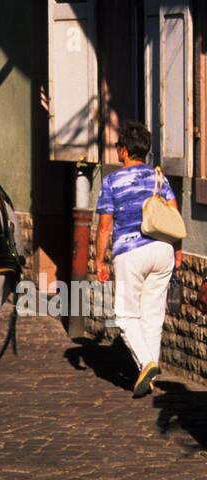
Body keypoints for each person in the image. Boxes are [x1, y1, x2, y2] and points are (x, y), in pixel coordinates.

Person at [95, 120, 182, 398]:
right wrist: (178, 250)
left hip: (131, 252)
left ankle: (147, 363)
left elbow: (105, 226)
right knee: (153, 315)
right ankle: (149, 373)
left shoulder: (111, 181)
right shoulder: (159, 178)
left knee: (125, 315)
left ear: (123, 150)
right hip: (163, 250)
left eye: (117, 147)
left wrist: (99, 260)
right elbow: (173, 214)